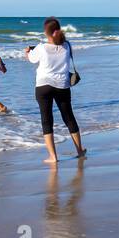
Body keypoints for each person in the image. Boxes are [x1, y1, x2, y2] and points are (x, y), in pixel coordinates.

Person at [26, 18, 86, 165]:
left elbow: (32, 60)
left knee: (47, 120)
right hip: (62, 86)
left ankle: (53, 156)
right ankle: (79, 150)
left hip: (43, 86)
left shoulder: (41, 47)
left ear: (47, 32)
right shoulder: (67, 45)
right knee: (69, 117)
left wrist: (28, 52)